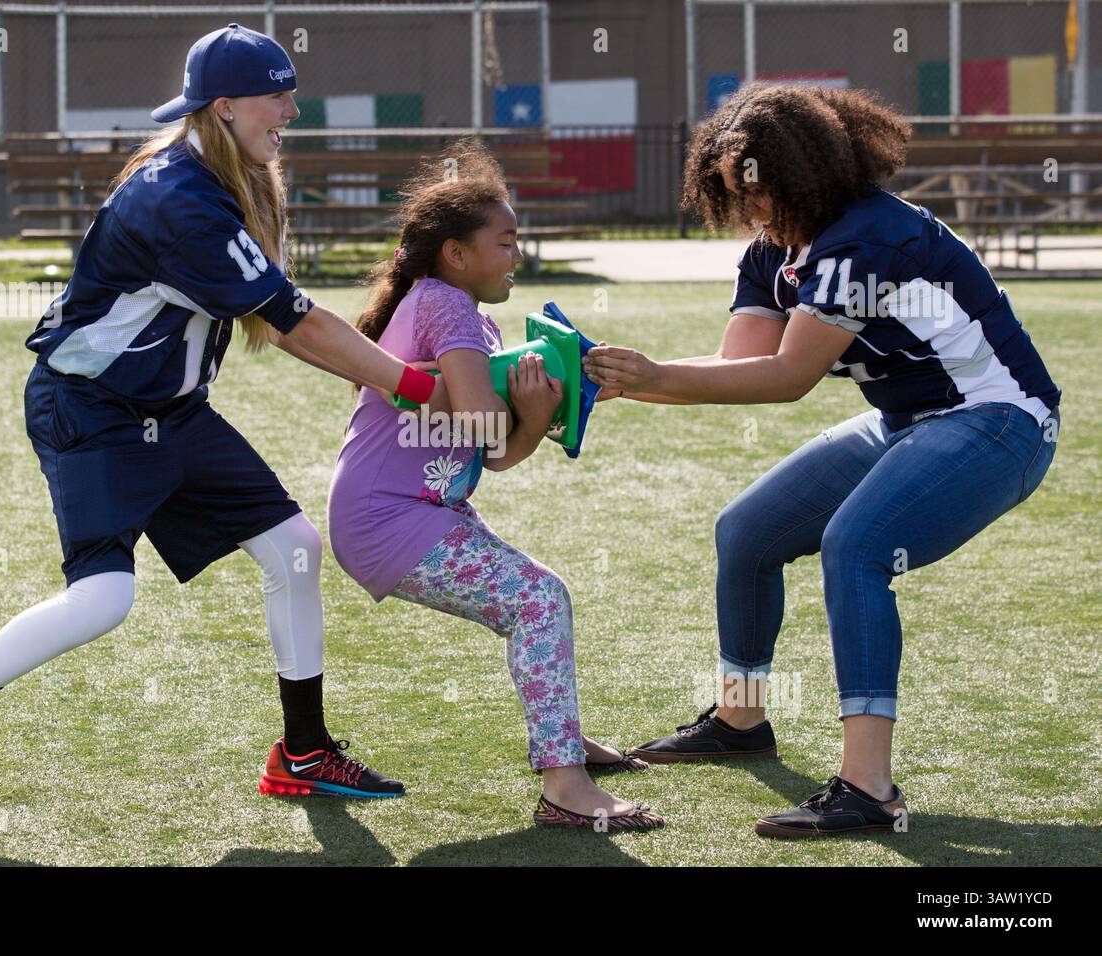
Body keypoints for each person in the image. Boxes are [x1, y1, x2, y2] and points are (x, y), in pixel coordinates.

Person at [0, 23, 445, 830]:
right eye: (276, 94)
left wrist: (403, 378)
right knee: (103, 600)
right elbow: (295, 325)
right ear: (226, 105)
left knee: (294, 551)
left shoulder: (219, 173)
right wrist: (418, 386)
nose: (290, 108)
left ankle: (304, 752)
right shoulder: (179, 196)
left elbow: (289, 321)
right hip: (94, 408)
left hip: (168, 410)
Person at [585, 84, 1061, 838]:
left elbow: (787, 379)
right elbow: (736, 364)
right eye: (735, 188)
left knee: (858, 545)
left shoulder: (866, 236)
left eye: (757, 185)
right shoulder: (773, 252)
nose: (750, 205)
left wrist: (649, 377)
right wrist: (612, 381)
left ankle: (869, 788)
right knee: (746, 532)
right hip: (906, 421)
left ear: (803, 170)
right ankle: (741, 720)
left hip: (999, 421)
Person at [326, 145, 663, 831]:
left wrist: (545, 408)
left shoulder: (469, 316)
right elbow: (485, 420)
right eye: (504, 242)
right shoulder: (446, 304)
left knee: (536, 601)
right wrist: (537, 405)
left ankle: (562, 745)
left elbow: (499, 456)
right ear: (455, 252)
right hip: (387, 517)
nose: (517, 255)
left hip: (419, 508)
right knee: (539, 598)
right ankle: (564, 785)